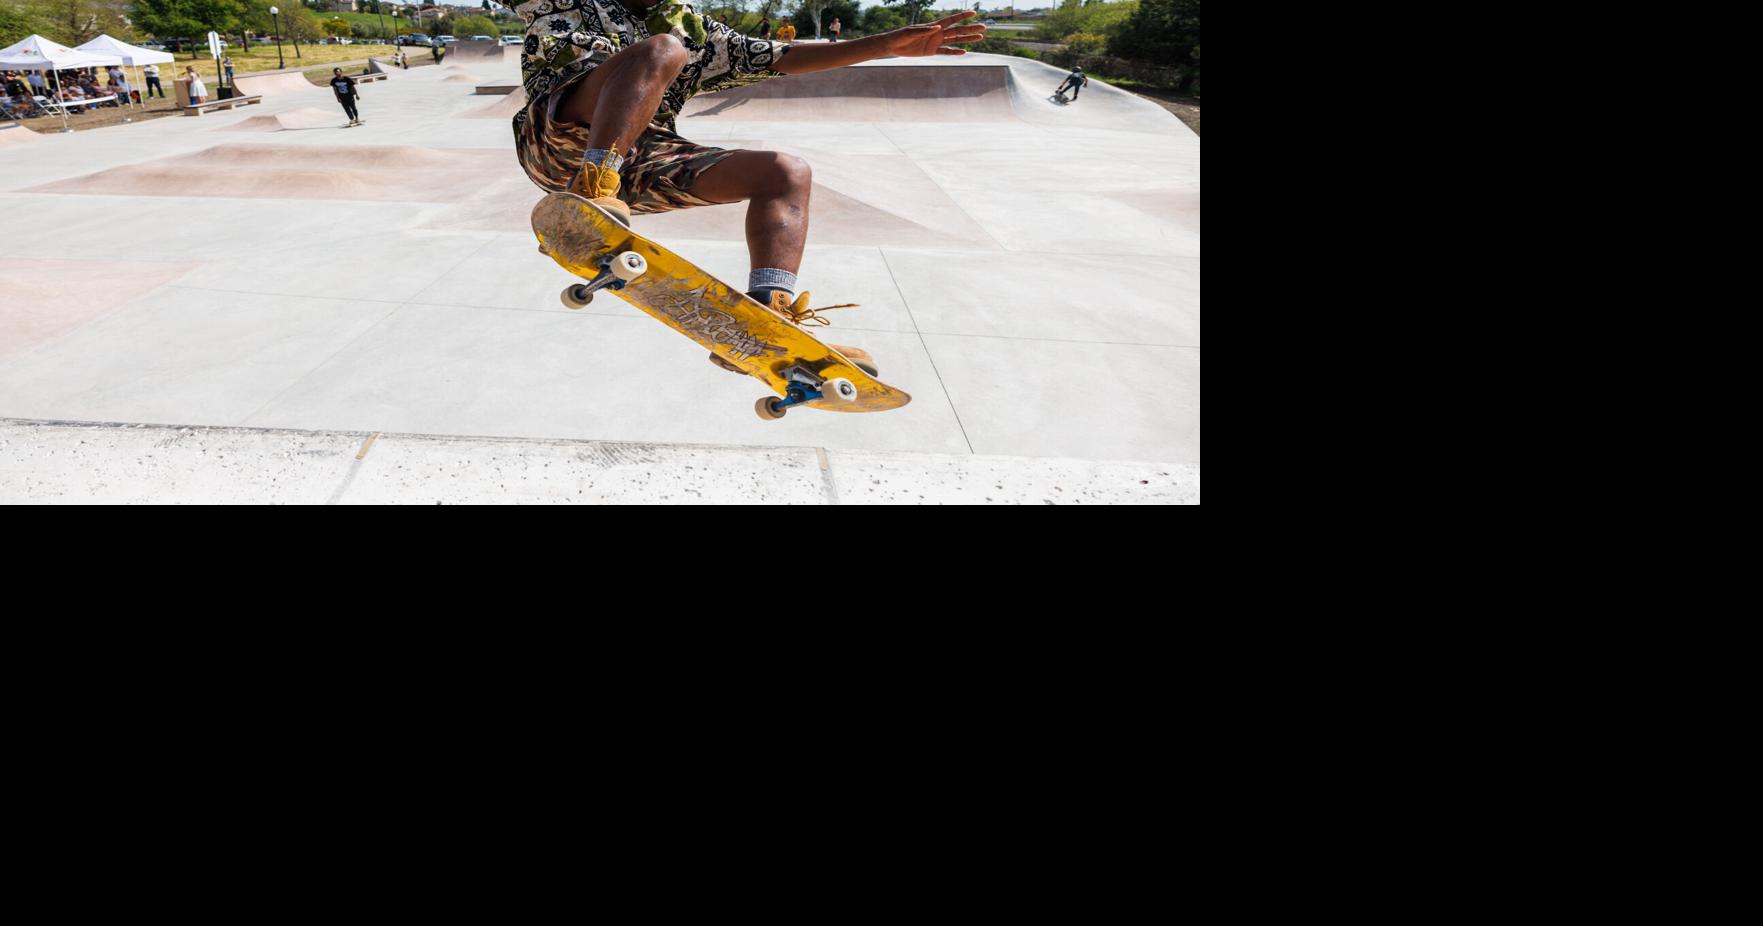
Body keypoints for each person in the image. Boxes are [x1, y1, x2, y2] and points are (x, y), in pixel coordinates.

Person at [500, 0, 984, 375]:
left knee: (785, 172)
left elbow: (784, 56)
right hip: (556, 139)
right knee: (662, 49)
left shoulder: (692, 27)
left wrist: (884, 45)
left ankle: (766, 317)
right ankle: (591, 188)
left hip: (645, 161)